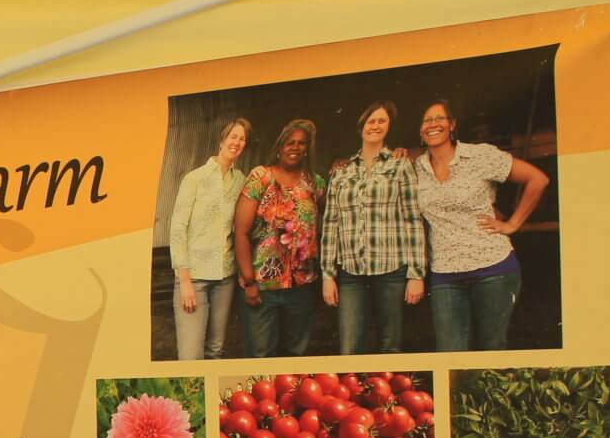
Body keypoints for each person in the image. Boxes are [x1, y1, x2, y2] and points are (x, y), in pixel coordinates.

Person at [414, 99, 550, 351]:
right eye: (426, 120)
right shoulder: (417, 167)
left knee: (492, 349)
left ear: (452, 124)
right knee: (450, 353)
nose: (432, 124)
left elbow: (537, 179)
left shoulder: (480, 155)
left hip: (493, 268)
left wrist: (512, 224)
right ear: (421, 130)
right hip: (445, 274)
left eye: (439, 118)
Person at [320, 100, 427, 354]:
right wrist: (327, 274)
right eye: (371, 121)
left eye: (382, 121)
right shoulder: (341, 172)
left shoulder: (401, 165)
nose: (376, 126)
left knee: (390, 345)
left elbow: (413, 219)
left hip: (391, 269)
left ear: (389, 127)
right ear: (361, 127)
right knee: (349, 348)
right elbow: (330, 222)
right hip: (350, 272)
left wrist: (416, 273)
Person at [233, 119, 327, 357]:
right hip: (263, 285)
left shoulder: (314, 183)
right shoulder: (260, 179)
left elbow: (331, 218)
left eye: (301, 143)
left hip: (302, 286)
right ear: (279, 146)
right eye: (289, 142)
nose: (295, 147)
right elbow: (241, 232)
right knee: (261, 354)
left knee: (295, 353)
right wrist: (249, 282)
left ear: (307, 148)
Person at [169, 117, 250, 359]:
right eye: (233, 136)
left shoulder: (240, 180)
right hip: (194, 278)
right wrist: (185, 282)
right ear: (222, 139)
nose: (237, 142)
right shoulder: (195, 178)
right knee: (190, 355)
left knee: (215, 350)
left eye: (242, 139)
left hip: (225, 277)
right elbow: (177, 229)